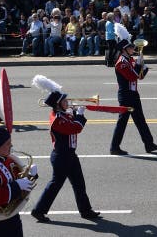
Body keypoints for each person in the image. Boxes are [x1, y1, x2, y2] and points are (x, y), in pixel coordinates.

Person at [30, 75, 100, 223]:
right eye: (64, 100)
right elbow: (76, 128)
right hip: (62, 156)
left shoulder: (62, 114)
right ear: (57, 104)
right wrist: (80, 115)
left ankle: (86, 211)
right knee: (55, 185)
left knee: (79, 183)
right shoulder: (58, 119)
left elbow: (72, 122)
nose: (67, 102)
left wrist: (75, 113)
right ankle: (38, 210)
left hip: (69, 155)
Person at [110, 36, 157, 155]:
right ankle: (114, 147)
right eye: (130, 47)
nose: (133, 48)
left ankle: (149, 144)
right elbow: (132, 76)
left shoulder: (130, 60)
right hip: (126, 96)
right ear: (124, 49)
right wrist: (138, 66)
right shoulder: (121, 62)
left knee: (140, 121)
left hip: (134, 94)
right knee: (122, 123)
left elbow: (140, 76)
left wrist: (143, 66)